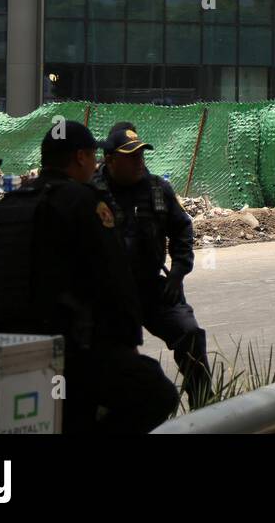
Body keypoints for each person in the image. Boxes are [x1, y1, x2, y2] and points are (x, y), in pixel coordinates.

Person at [0, 120, 177, 434]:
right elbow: (114, 279)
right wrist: (126, 342)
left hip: (14, 351)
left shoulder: (10, 205)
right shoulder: (85, 203)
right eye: (93, 156)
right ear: (81, 157)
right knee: (157, 394)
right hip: (75, 351)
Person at [92, 123, 212, 410]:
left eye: (141, 156)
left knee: (190, 334)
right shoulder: (91, 193)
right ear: (110, 160)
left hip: (151, 286)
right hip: (108, 295)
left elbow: (182, 229)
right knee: (112, 361)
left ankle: (205, 410)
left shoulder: (158, 189)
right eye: (131, 157)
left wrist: (179, 272)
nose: (139, 162)